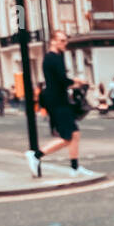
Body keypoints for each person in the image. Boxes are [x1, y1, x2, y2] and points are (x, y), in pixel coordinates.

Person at [27, 30, 93, 177]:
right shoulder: (52, 58)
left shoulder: (57, 56)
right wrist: (78, 82)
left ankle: (75, 168)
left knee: (75, 134)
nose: (65, 43)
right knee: (67, 137)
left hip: (60, 99)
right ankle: (36, 156)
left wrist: (75, 83)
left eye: (65, 41)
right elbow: (62, 81)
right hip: (56, 101)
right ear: (53, 41)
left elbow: (61, 81)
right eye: (62, 41)